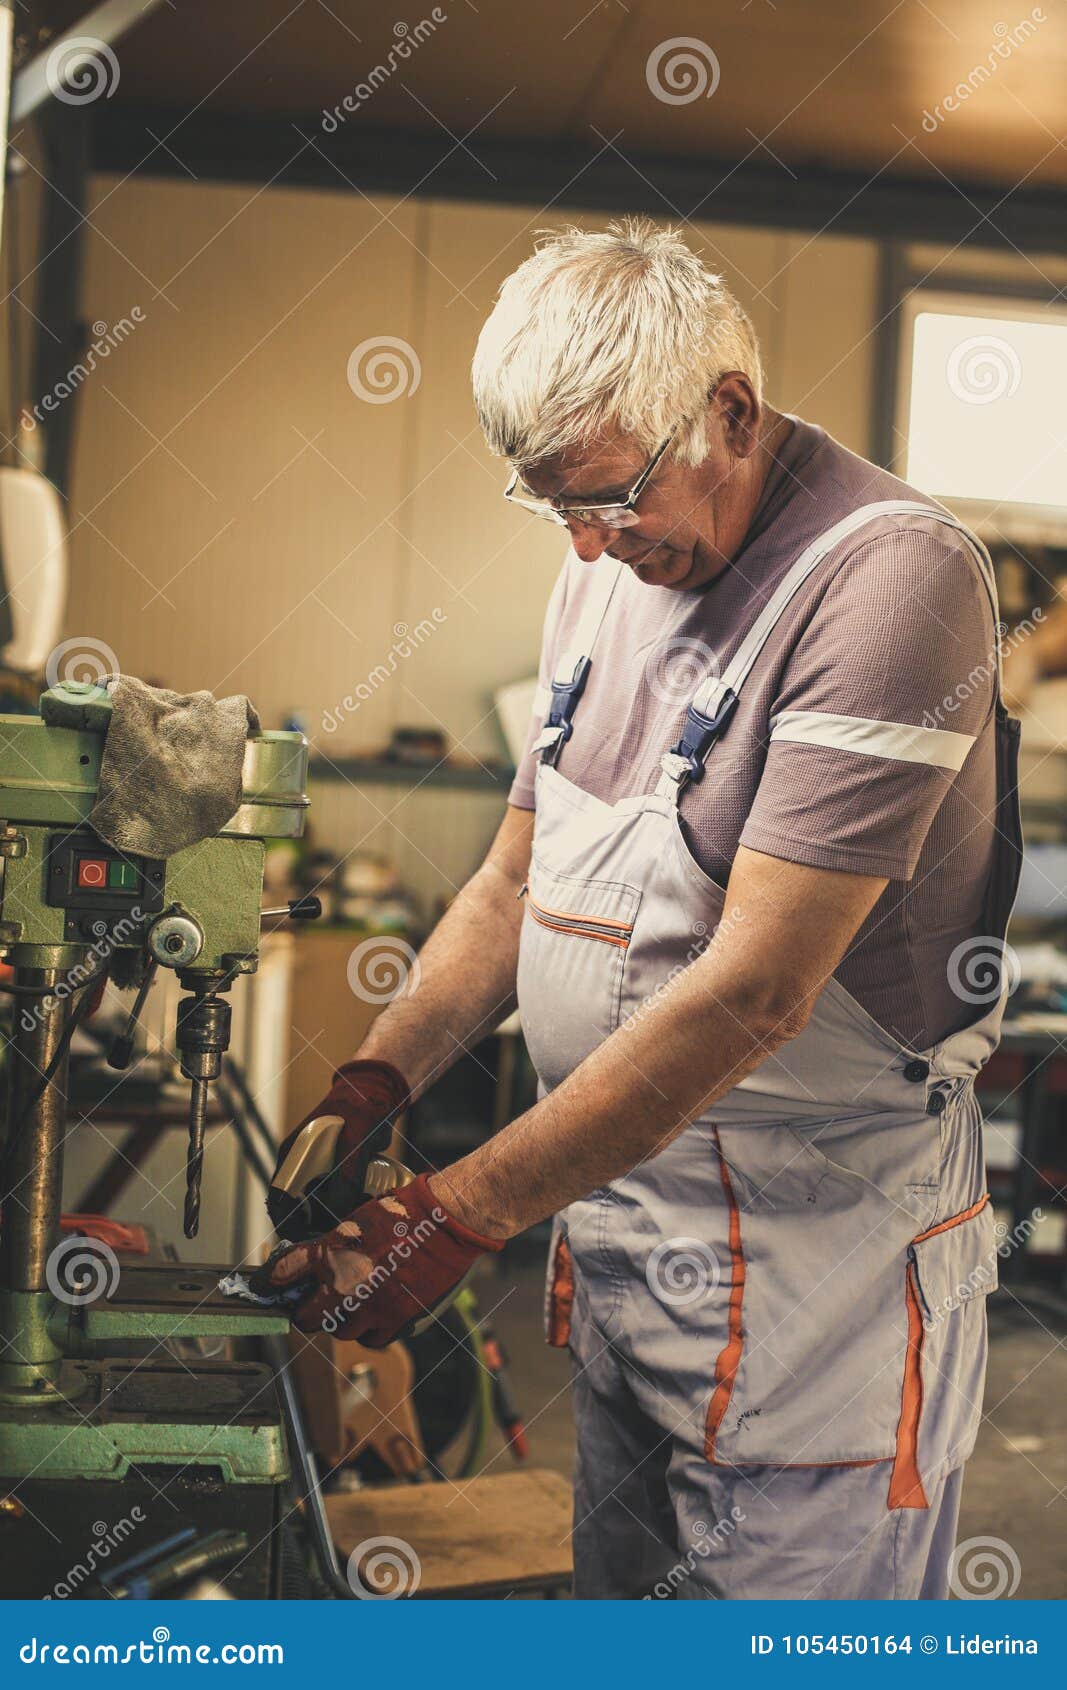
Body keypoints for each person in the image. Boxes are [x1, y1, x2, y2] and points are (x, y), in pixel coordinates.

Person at [269, 221, 1021, 1599]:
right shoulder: (602, 569)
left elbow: (756, 994)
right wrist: (380, 1072)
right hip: (631, 1249)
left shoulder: (889, 581)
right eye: (550, 503)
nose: (586, 545)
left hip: (824, 1294)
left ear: (729, 410)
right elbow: (512, 879)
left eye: (609, 496)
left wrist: (457, 1215)